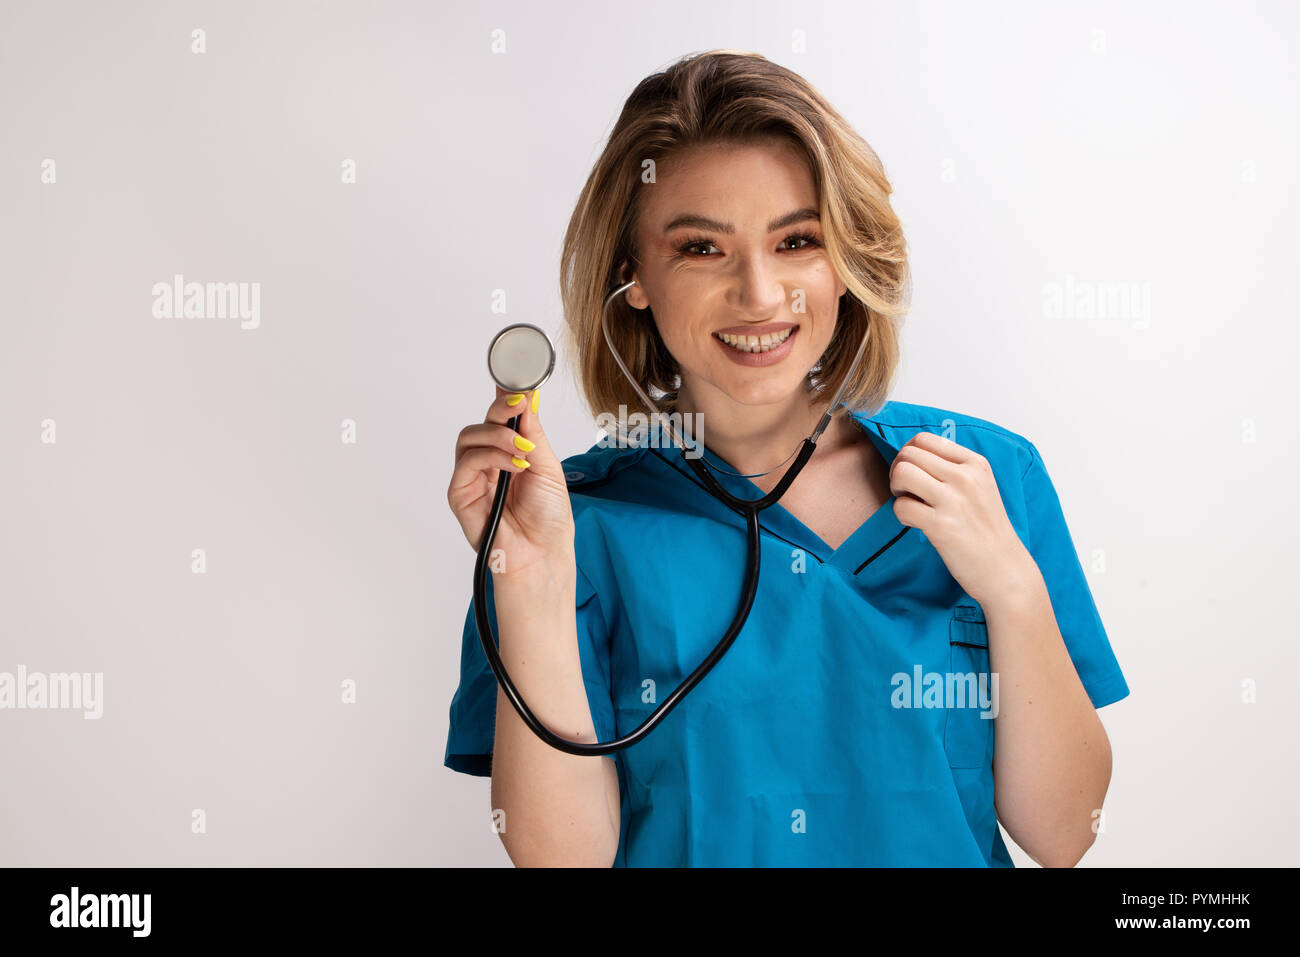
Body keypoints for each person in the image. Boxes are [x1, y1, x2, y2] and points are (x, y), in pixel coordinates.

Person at [444, 49, 1129, 867]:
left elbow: (1065, 835)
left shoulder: (988, 473)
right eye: (701, 248)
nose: (761, 295)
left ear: (847, 263)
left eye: (798, 240)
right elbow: (563, 862)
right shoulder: (562, 525)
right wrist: (530, 582)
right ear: (634, 279)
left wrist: (1013, 589)